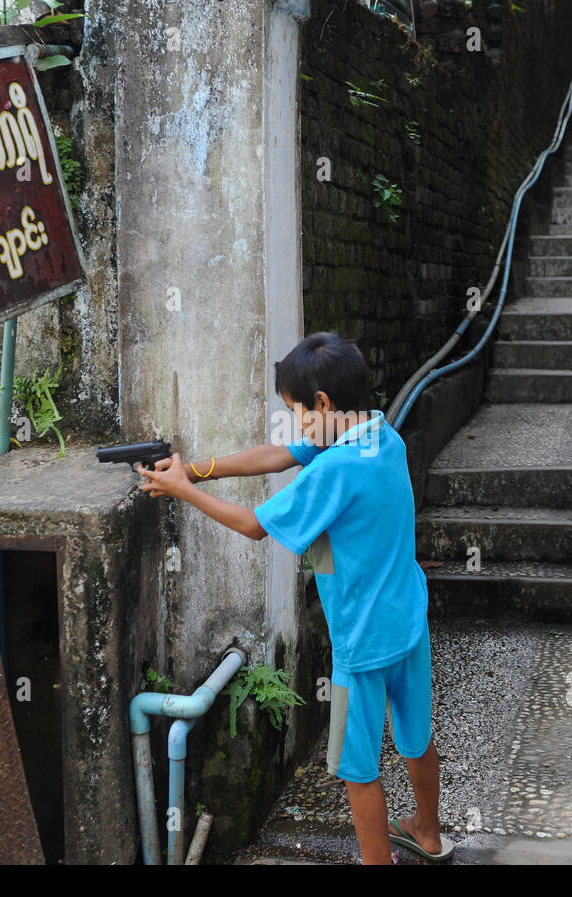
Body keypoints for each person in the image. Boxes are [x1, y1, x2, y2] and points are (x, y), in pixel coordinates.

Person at [137, 331, 452, 864]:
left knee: (359, 771)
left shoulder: (335, 469)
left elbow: (254, 525)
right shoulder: (380, 436)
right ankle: (427, 831)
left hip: (360, 643)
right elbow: (278, 455)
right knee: (416, 738)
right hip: (407, 621)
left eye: (297, 412)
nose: (298, 425)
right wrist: (196, 468)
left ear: (324, 405)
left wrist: (185, 492)